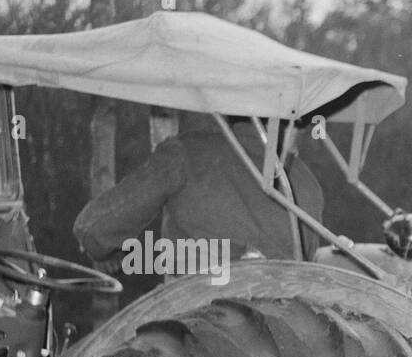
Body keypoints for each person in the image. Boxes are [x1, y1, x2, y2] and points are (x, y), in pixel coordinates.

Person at [73, 113, 325, 268]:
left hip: (193, 317)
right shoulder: (307, 183)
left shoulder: (186, 154)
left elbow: (93, 228)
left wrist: (104, 251)